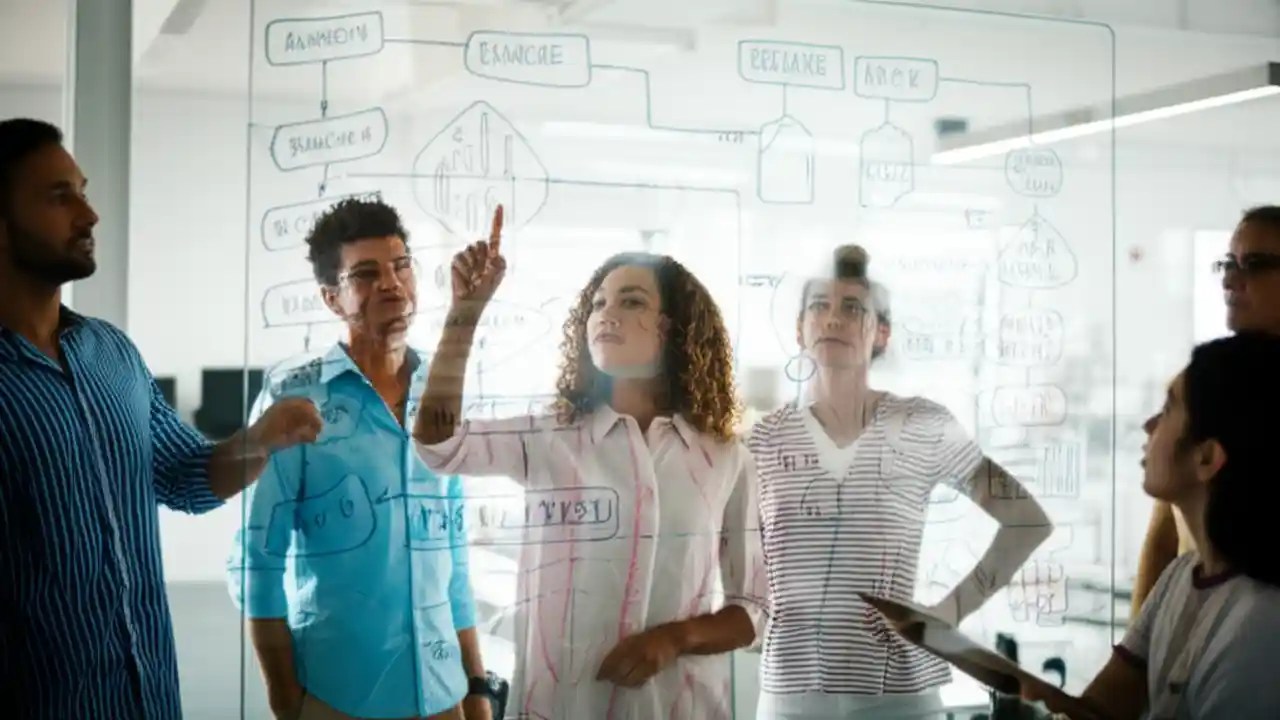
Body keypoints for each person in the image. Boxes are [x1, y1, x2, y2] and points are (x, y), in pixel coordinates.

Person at [0, 117, 322, 719]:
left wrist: (258, 440)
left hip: (149, 700)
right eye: (59, 197)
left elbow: (186, 475)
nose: (89, 214)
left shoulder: (112, 354)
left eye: (83, 191)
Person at [412, 206, 766, 719]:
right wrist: (464, 313)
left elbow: (752, 610)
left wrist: (673, 639)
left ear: (674, 329)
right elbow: (438, 445)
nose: (606, 314)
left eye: (631, 300)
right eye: (598, 303)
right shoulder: (546, 437)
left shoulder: (726, 459)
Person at [747, 245, 1053, 719]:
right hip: (791, 695)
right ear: (799, 328)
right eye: (820, 306)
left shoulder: (921, 424)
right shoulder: (763, 440)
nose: (834, 319)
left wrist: (951, 611)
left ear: (881, 331)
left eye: (853, 308)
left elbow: (1027, 521)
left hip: (899, 696)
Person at [227, 199, 493, 720]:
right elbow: (257, 562)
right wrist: (288, 702)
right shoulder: (295, 400)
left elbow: (453, 557)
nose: (391, 285)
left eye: (401, 266)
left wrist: (476, 688)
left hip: (444, 695)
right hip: (338, 695)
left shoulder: (443, 393)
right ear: (332, 298)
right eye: (366, 275)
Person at [1022, 332, 1280, 718]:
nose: (1148, 424)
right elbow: (1104, 707)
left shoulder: (1262, 624)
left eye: (1168, 408)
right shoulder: (1180, 576)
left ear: (1206, 458)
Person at [1131, 205, 1280, 613]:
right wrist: (1143, 634)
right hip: (1195, 618)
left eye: (1256, 265)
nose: (1230, 280)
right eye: (1229, 263)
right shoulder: (1203, 383)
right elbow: (1165, 535)